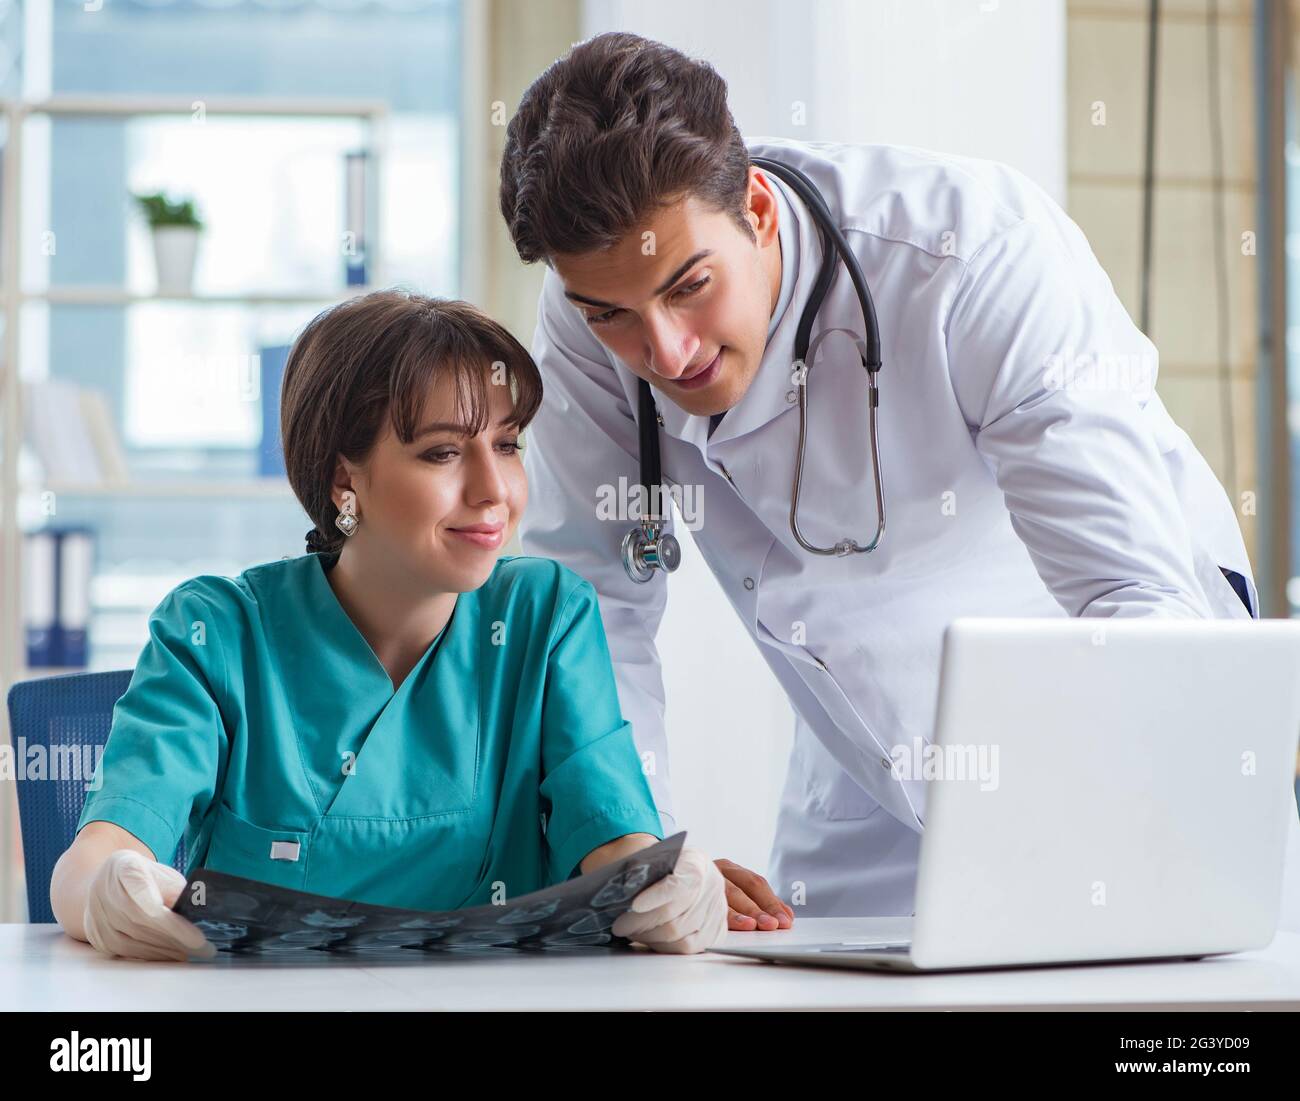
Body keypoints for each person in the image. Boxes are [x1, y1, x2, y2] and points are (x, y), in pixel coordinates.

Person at [499, 32, 1300, 931]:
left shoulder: (975, 256)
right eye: (613, 315)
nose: (665, 351)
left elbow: (1131, 597)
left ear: (757, 209)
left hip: (1102, 709)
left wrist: (1106, 842)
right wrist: (633, 852)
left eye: (690, 287)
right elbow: (596, 605)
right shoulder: (581, 320)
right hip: (860, 755)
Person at [49, 291, 729, 960]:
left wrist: (672, 886)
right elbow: (99, 855)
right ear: (345, 479)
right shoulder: (217, 632)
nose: (495, 490)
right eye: (443, 453)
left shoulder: (545, 618)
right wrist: (105, 893)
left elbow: (616, 845)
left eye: (508, 444)